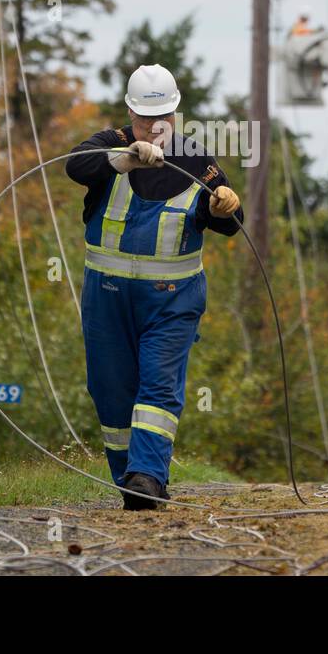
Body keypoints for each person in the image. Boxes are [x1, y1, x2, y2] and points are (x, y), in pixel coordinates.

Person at [65, 64, 243, 510]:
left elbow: (231, 224)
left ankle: (148, 477)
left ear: (176, 113)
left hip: (172, 301)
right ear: (130, 111)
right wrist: (122, 158)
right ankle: (129, 479)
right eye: (146, 119)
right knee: (110, 389)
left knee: (158, 387)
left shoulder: (196, 161)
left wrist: (224, 208)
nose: (155, 127)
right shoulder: (107, 146)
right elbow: (74, 165)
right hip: (107, 299)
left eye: (163, 118)